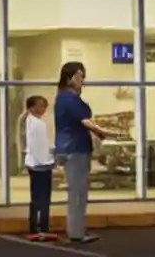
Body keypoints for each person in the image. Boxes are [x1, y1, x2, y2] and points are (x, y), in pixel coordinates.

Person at [54, 61, 117, 244]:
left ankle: (77, 230)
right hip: (75, 150)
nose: (83, 80)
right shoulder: (69, 99)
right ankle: (76, 233)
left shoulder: (64, 98)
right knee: (78, 193)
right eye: (80, 76)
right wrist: (105, 132)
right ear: (70, 77)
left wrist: (99, 133)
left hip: (72, 148)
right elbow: (86, 122)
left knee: (78, 192)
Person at [23, 95, 57, 242]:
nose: (44, 108)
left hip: (35, 163)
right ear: (32, 107)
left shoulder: (32, 121)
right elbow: (39, 147)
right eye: (41, 105)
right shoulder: (37, 124)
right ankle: (43, 228)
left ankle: (35, 227)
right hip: (40, 165)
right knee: (43, 198)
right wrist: (50, 161)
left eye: (45, 105)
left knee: (36, 198)